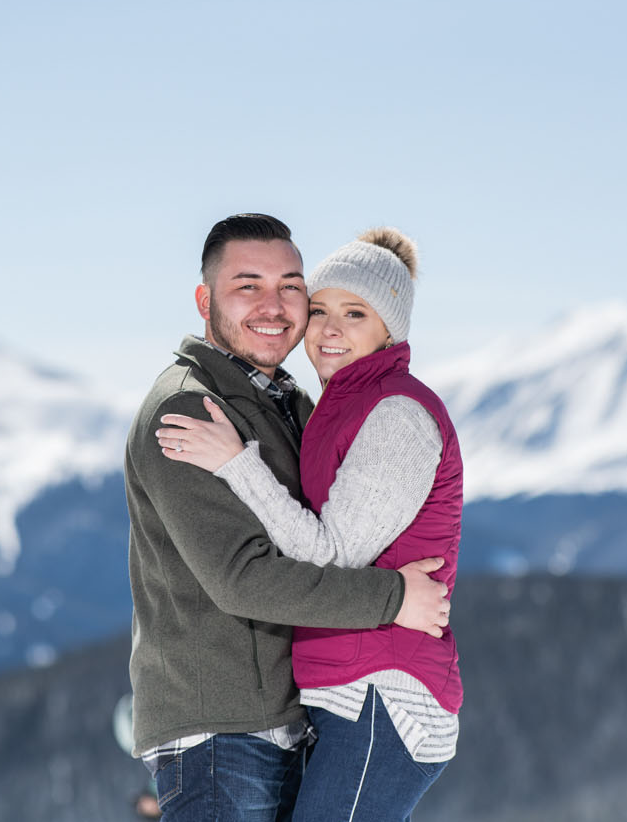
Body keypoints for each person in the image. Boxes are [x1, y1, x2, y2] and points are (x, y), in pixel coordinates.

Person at [125, 214, 452, 822]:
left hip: (288, 721)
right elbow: (242, 578)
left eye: (290, 286)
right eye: (247, 284)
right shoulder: (191, 407)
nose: (273, 305)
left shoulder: (293, 404)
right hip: (219, 734)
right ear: (205, 300)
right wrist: (392, 599)